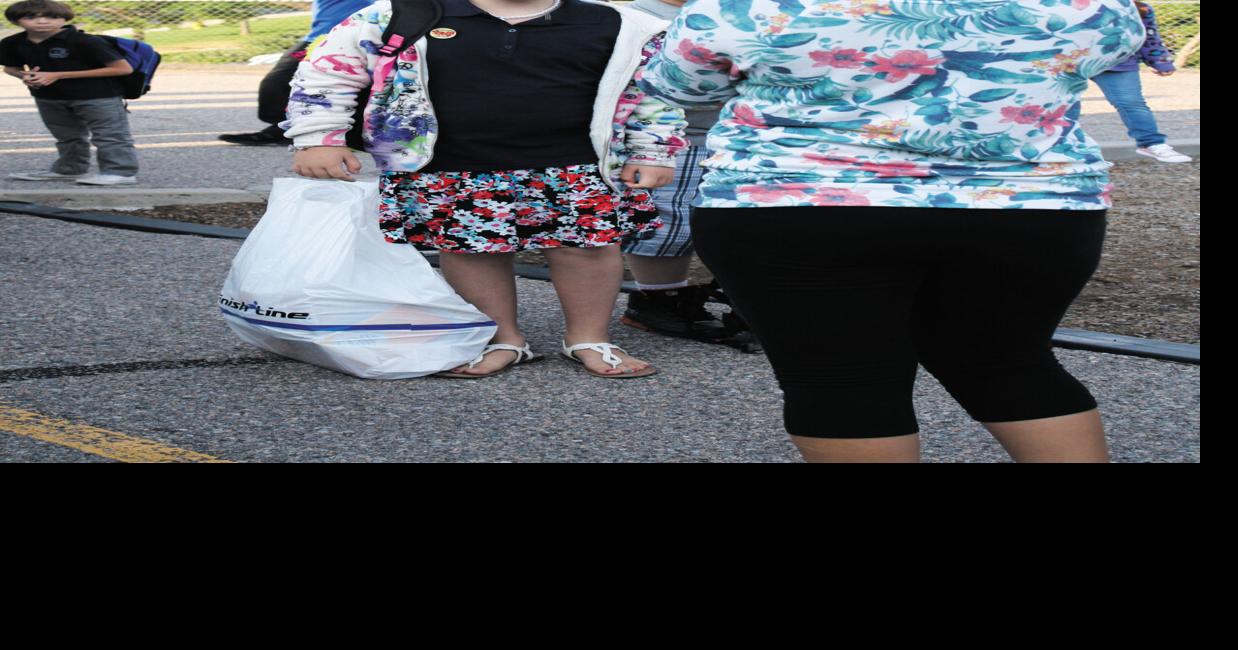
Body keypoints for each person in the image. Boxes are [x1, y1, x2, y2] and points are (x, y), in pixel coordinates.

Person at [639, 0, 1147, 462]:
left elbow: (680, 83)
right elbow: (1113, 49)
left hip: (798, 201)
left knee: (842, 378)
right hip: (1029, 205)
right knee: (1009, 364)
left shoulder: (750, 5)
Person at [284, 0, 688, 379]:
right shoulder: (397, 15)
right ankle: (501, 339)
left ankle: (590, 337)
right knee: (471, 253)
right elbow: (327, 72)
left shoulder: (622, 25)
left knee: (588, 249)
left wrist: (653, 151)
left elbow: (655, 94)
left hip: (578, 167)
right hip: (449, 167)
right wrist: (318, 137)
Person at [2, 0, 138, 185]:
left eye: (53, 16)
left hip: (98, 96)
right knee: (67, 136)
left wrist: (58, 75)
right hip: (49, 97)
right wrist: (25, 76)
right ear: (16, 20)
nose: (42, 21)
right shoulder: (13, 42)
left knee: (109, 135)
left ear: (64, 18)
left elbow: (122, 68)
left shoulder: (85, 41)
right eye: (31, 17)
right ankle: (69, 170)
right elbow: (10, 68)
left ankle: (120, 173)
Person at [218, 0, 372, 146]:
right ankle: (287, 128)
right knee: (275, 84)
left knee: (363, 87)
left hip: (366, 37)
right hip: (320, 37)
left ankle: (344, 134)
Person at [1092, 0, 1192, 163]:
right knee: (1058, 105)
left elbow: (1149, 35)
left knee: (1132, 102)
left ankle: (1151, 143)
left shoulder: (1138, 7)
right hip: (1063, 61)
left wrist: (1159, 60)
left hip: (1118, 60)